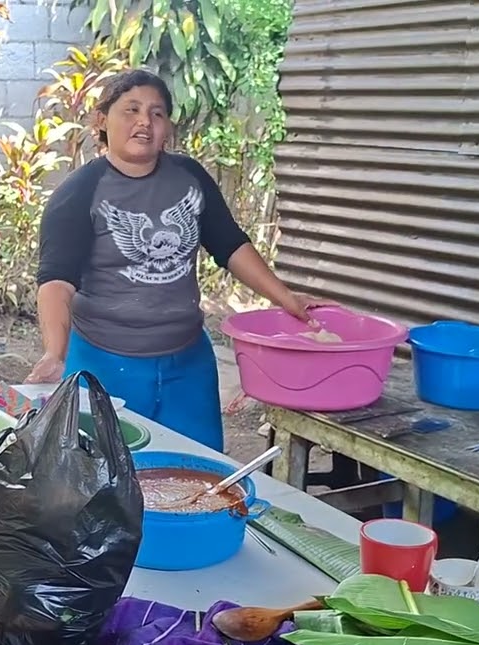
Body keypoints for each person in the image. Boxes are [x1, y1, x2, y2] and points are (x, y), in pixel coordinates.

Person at [26, 69, 321, 451]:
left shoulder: (189, 178)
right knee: (108, 482)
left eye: (157, 113)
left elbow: (230, 245)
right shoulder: (79, 192)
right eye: (130, 110)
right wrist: (55, 351)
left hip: (188, 363)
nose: (144, 122)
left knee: (197, 474)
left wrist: (287, 299)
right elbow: (56, 280)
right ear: (102, 120)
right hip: (104, 364)